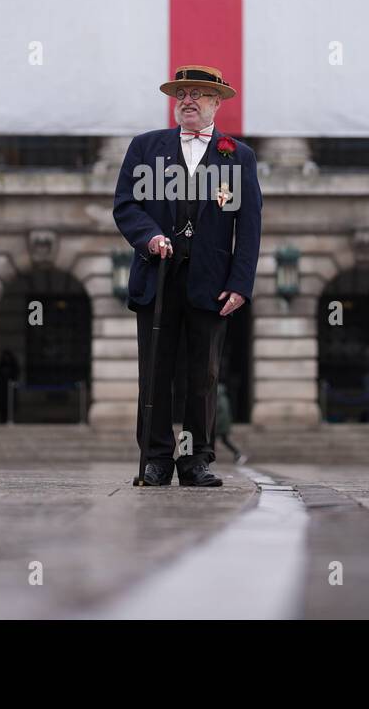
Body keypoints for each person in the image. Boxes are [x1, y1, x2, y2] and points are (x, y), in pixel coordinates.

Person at [113, 64, 262, 487]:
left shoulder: (239, 155)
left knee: (203, 375)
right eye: (182, 94)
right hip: (157, 278)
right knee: (156, 373)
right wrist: (151, 237)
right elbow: (126, 205)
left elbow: (248, 226)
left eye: (198, 93)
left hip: (211, 283)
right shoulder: (145, 148)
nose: (188, 101)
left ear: (217, 103)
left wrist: (240, 284)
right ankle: (156, 459)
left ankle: (195, 460)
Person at [215, 380, 247, 465]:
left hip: (221, 425)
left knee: (213, 441)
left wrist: (216, 424)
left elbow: (221, 414)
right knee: (224, 441)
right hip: (224, 425)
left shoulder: (219, 399)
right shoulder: (223, 398)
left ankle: (238, 454)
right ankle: (238, 454)